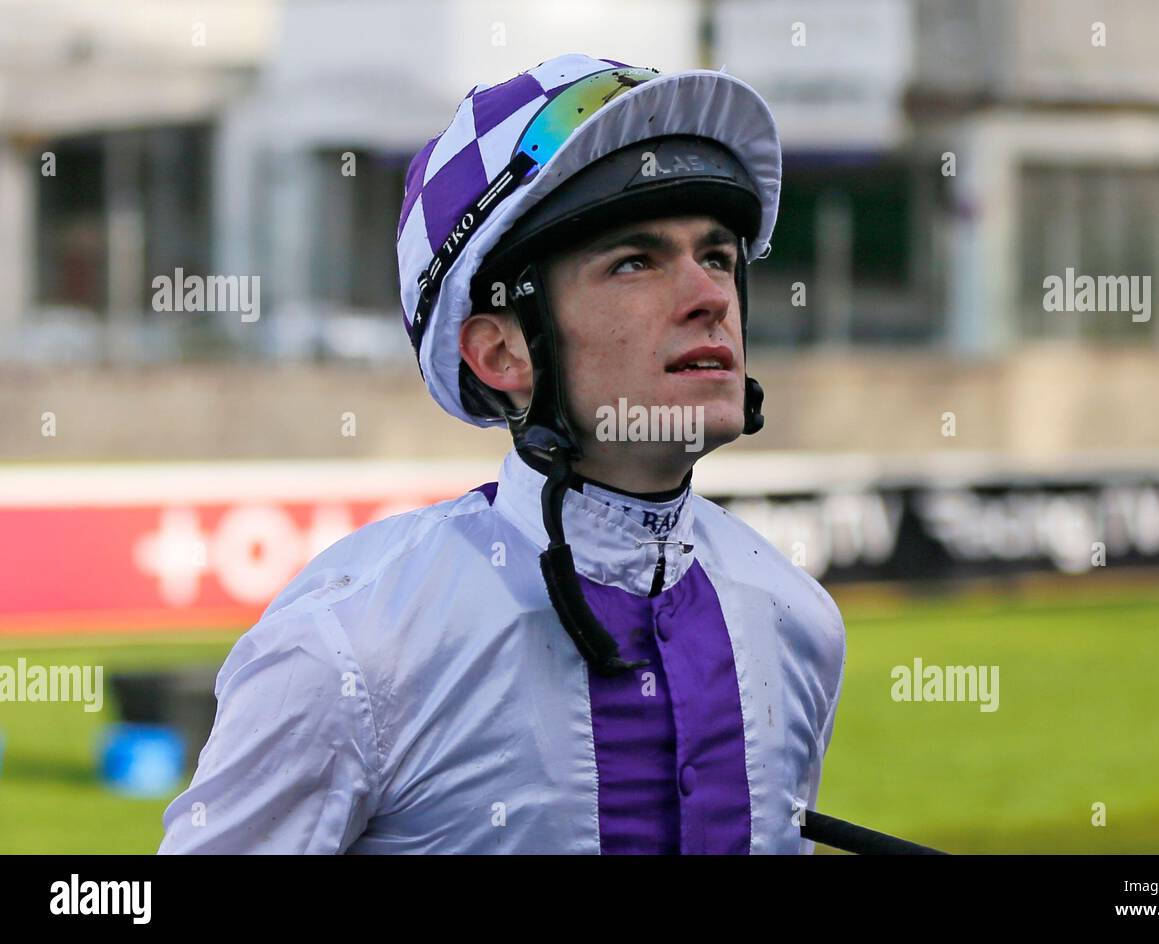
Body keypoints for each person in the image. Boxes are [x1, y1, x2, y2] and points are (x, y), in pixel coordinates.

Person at [159, 52, 846, 854]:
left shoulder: (800, 622)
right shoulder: (351, 647)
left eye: (718, 256)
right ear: (500, 354)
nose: (710, 297)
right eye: (635, 261)